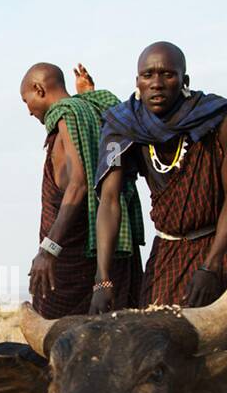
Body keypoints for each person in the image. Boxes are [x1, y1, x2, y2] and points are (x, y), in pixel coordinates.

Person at [91, 42, 227, 322]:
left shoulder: (217, 119)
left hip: (216, 245)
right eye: (147, 75)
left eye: (167, 75)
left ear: (184, 80)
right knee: (153, 336)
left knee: (216, 342)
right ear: (137, 81)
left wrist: (210, 267)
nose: (157, 84)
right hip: (167, 247)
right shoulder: (123, 127)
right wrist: (102, 278)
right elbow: (110, 201)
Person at [20, 61, 142, 316]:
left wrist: (49, 249)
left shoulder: (68, 116)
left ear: (39, 89)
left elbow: (79, 184)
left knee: (57, 339)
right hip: (105, 259)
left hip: (72, 261)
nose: (29, 112)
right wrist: (87, 94)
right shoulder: (92, 111)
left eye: (26, 100)